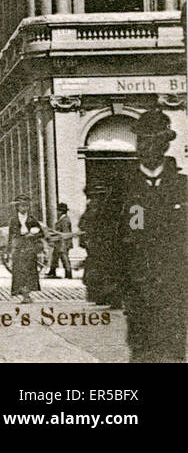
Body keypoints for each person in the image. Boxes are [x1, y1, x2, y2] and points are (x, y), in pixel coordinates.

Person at [119, 108, 187, 362]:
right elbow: (113, 240)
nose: (145, 147)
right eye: (141, 140)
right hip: (139, 291)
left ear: (164, 145)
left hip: (176, 291)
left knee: (173, 353)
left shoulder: (183, 188)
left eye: (153, 141)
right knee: (143, 354)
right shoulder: (124, 189)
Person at [79, 184, 121, 306]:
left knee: (106, 270)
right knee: (98, 270)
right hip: (96, 242)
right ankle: (101, 297)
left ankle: (111, 298)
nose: (92, 198)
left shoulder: (104, 207)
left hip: (104, 243)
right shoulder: (93, 207)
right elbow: (84, 222)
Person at [7, 195, 43, 303]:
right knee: (19, 271)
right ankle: (23, 293)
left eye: (26, 206)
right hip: (18, 247)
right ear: (17, 207)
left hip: (29, 247)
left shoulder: (32, 219)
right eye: (22, 206)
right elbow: (11, 235)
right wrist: (9, 249)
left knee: (29, 270)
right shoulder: (13, 220)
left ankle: (27, 294)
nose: (24, 208)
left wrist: (33, 235)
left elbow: (41, 233)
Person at [46, 203, 74, 280]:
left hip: (63, 243)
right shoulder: (62, 219)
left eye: (58, 210)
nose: (57, 212)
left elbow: (65, 233)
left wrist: (53, 231)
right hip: (59, 243)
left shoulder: (65, 220)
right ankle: (52, 271)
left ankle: (68, 273)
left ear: (62, 211)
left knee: (64, 258)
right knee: (55, 256)